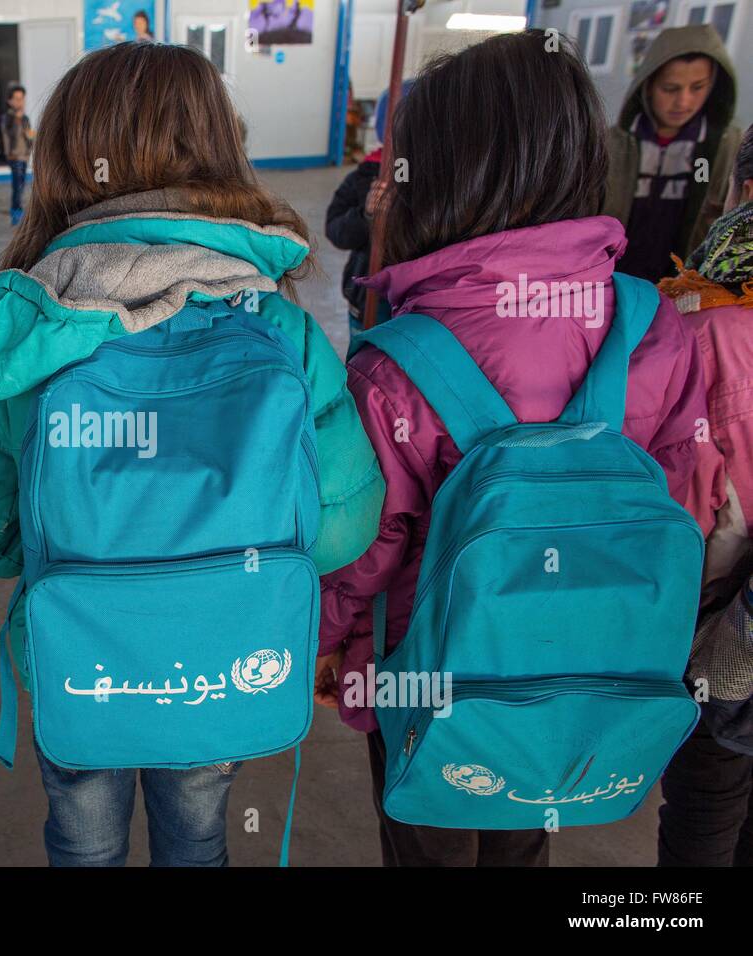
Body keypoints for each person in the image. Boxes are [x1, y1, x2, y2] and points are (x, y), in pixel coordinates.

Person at [0, 41, 383, 866]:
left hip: (81, 654)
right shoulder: (278, 324)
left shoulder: (25, 325)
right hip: (222, 652)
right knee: (199, 829)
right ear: (222, 145)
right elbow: (345, 525)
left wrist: (51, 549)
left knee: (83, 834)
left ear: (63, 155)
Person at [318, 29, 707, 867]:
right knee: (526, 827)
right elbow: (678, 498)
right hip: (595, 663)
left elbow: (368, 544)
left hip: (431, 673)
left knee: (425, 837)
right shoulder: (653, 325)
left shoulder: (400, 360)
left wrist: (325, 636)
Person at [657, 124, 753, 866]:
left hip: (728, 639)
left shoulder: (703, 325)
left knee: (710, 796)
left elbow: (691, 512)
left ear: (742, 192)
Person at [603, 25, 741, 283]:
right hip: (614, 286)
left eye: (698, 87)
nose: (684, 102)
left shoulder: (728, 147)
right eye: (670, 88)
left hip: (687, 292)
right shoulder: (612, 145)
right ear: (647, 86)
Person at [325, 83, 407, 347]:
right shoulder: (365, 175)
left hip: (412, 306)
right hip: (367, 300)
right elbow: (336, 230)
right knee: (362, 369)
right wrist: (367, 215)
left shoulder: (437, 183)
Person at [1, 85, 34, 226]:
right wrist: (17, 120)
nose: (20, 102)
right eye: (17, 99)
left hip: (24, 155)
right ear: (10, 101)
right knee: (18, 186)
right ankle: (16, 212)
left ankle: (17, 210)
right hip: (14, 156)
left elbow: (29, 136)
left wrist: (31, 138)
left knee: (21, 183)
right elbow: (9, 135)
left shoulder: (25, 118)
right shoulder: (7, 118)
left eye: (22, 99)